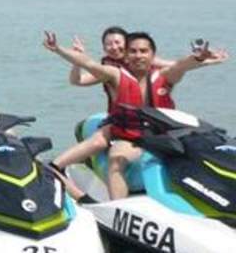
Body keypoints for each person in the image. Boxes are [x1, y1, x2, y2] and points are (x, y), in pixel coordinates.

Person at [42, 31, 228, 200]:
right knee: (116, 159)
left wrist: (199, 57)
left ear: (152, 55)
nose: (138, 56)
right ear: (126, 56)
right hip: (130, 134)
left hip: (162, 135)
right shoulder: (116, 74)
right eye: (133, 51)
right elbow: (88, 63)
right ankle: (118, 208)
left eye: (143, 51)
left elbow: (182, 65)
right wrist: (58, 49)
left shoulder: (165, 76)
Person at [51, 27, 173, 173]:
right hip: (121, 120)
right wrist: (77, 59)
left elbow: (175, 66)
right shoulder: (109, 70)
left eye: (117, 42)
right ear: (104, 48)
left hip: (152, 121)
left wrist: (196, 59)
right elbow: (77, 80)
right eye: (109, 44)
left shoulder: (144, 61)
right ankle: (53, 168)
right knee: (98, 142)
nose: (114, 47)